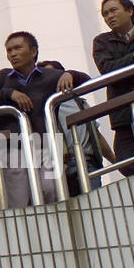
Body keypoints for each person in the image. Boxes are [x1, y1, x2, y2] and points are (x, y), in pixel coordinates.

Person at [0, 33, 90, 207]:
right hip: (13, 147)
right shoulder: (3, 77)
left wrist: (70, 74)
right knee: (19, 200)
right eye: (9, 50)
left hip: (46, 144)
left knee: (52, 190)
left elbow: (86, 81)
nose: (12, 54)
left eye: (18, 48)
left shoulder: (49, 76)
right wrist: (9, 94)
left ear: (33, 51)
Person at [91, 0, 134, 174]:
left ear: (129, 11)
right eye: (105, 14)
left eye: (113, 11)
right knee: (128, 164)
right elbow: (107, 69)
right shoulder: (102, 41)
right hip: (124, 115)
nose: (109, 16)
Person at [38, 61, 106, 197]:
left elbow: (96, 135)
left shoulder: (80, 102)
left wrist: (116, 161)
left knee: (94, 205)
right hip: (63, 166)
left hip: (89, 162)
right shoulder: (44, 108)